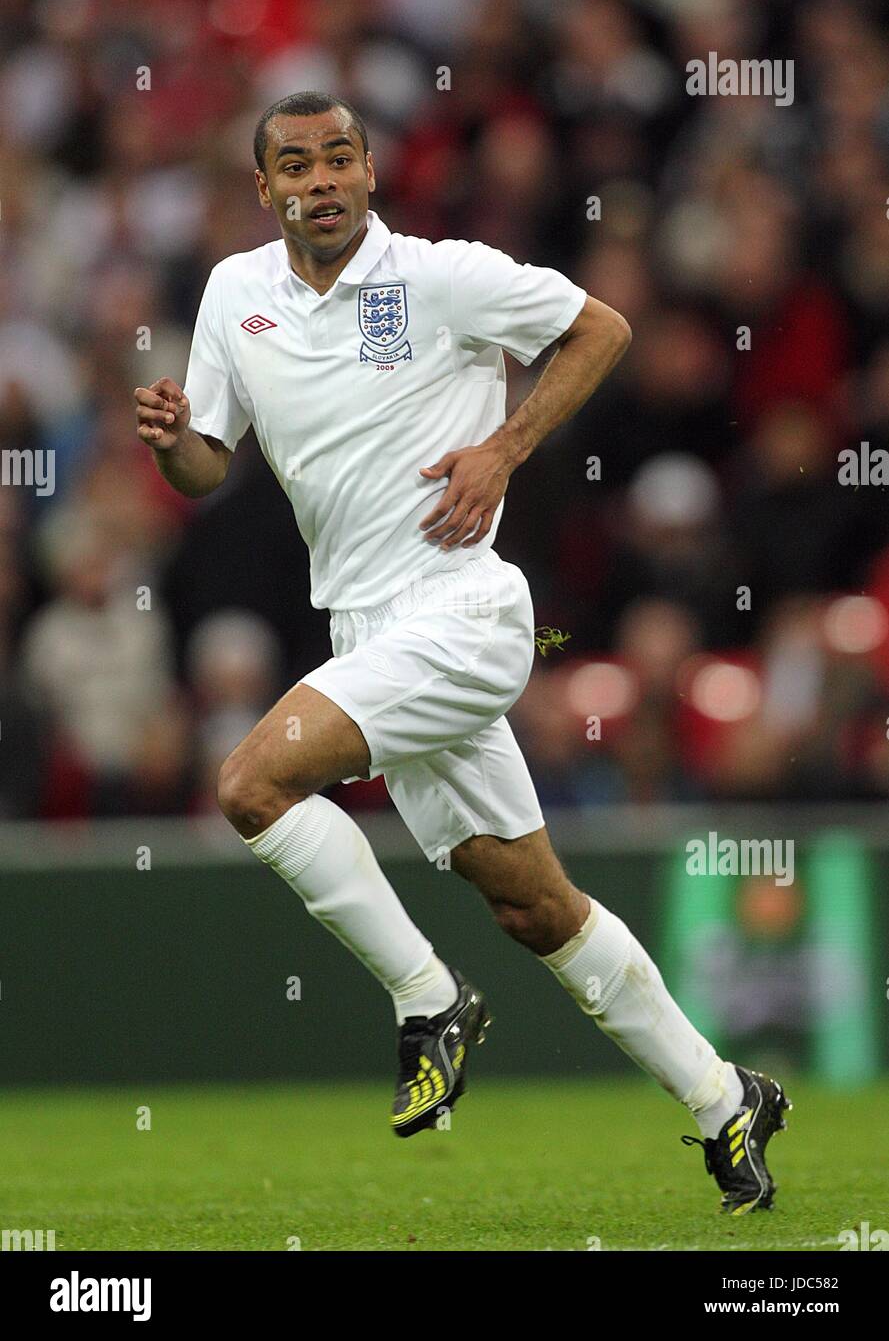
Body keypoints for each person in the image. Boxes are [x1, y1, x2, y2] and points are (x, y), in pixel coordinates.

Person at [135, 92, 789, 1213]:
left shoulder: (439, 275)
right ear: (265, 188)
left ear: (369, 170)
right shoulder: (235, 294)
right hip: (365, 630)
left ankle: (428, 1000)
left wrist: (504, 447)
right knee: (532, 904)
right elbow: (207, 464)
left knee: (250, 783)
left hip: (460, 612)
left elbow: (601, 328)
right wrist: (169, 445)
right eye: (296, 164)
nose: (320, 179)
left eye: (339, 157)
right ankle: (726, 1097)